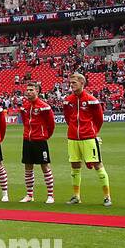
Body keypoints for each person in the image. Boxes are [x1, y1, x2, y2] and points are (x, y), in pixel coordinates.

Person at [63, 72, 111, 206]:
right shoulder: (68, 100)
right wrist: (73, 129)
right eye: (70, 83)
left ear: (82, 83)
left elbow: (99, 119)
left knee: (97, 164)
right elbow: (68, 117)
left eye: (74, 83)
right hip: (73, 138)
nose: (71, 85)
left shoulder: (91, 100)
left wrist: (93, 132)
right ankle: (76, 196)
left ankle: (107, 196)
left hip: (88, 137)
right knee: (75, 165)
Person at [18, 81, 56, 204]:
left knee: (45, 166)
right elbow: (25, 122)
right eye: (27, 90)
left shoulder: (44, 106)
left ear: (37, 91)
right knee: (28, 167)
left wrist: (44, 136)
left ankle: (50, 195)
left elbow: (51, 125)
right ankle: (29, 195)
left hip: (40, 140)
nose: (28, 92)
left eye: (31, 90)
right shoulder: (24, 107)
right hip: (27, 140)